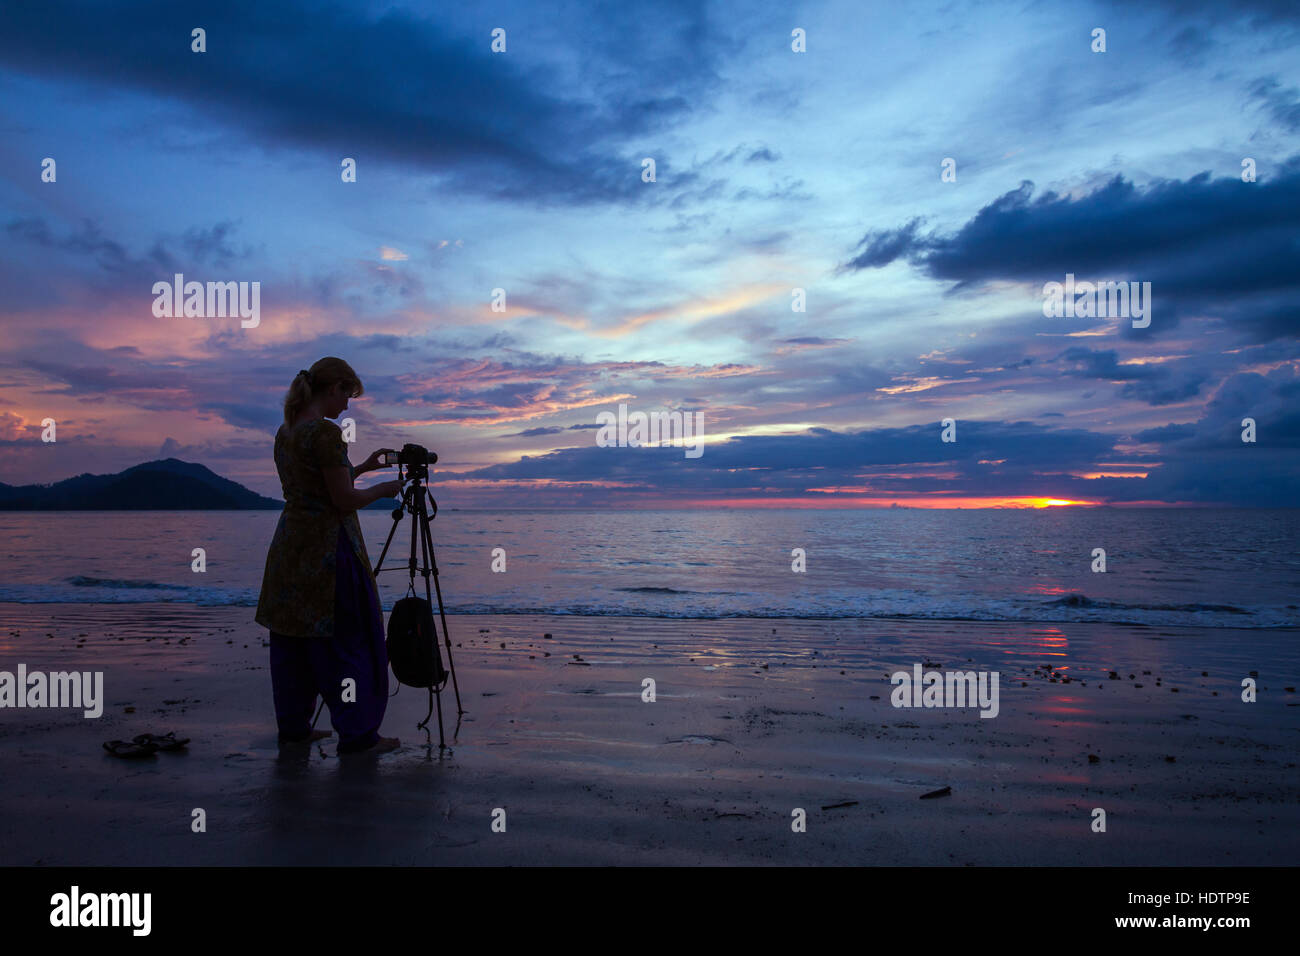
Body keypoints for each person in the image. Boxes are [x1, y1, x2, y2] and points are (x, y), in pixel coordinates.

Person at [254, 357, 403, 755]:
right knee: (348, 641)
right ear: (333, 388)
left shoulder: (286, 432)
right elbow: (342, 499)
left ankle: (295, 729)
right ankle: (358, 736)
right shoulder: (325, 433)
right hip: (327, 551)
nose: (348, 406)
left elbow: (316, 485)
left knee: (292, 641)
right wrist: (383, 489)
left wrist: (365, 467)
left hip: (290, 549)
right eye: (348, 395)